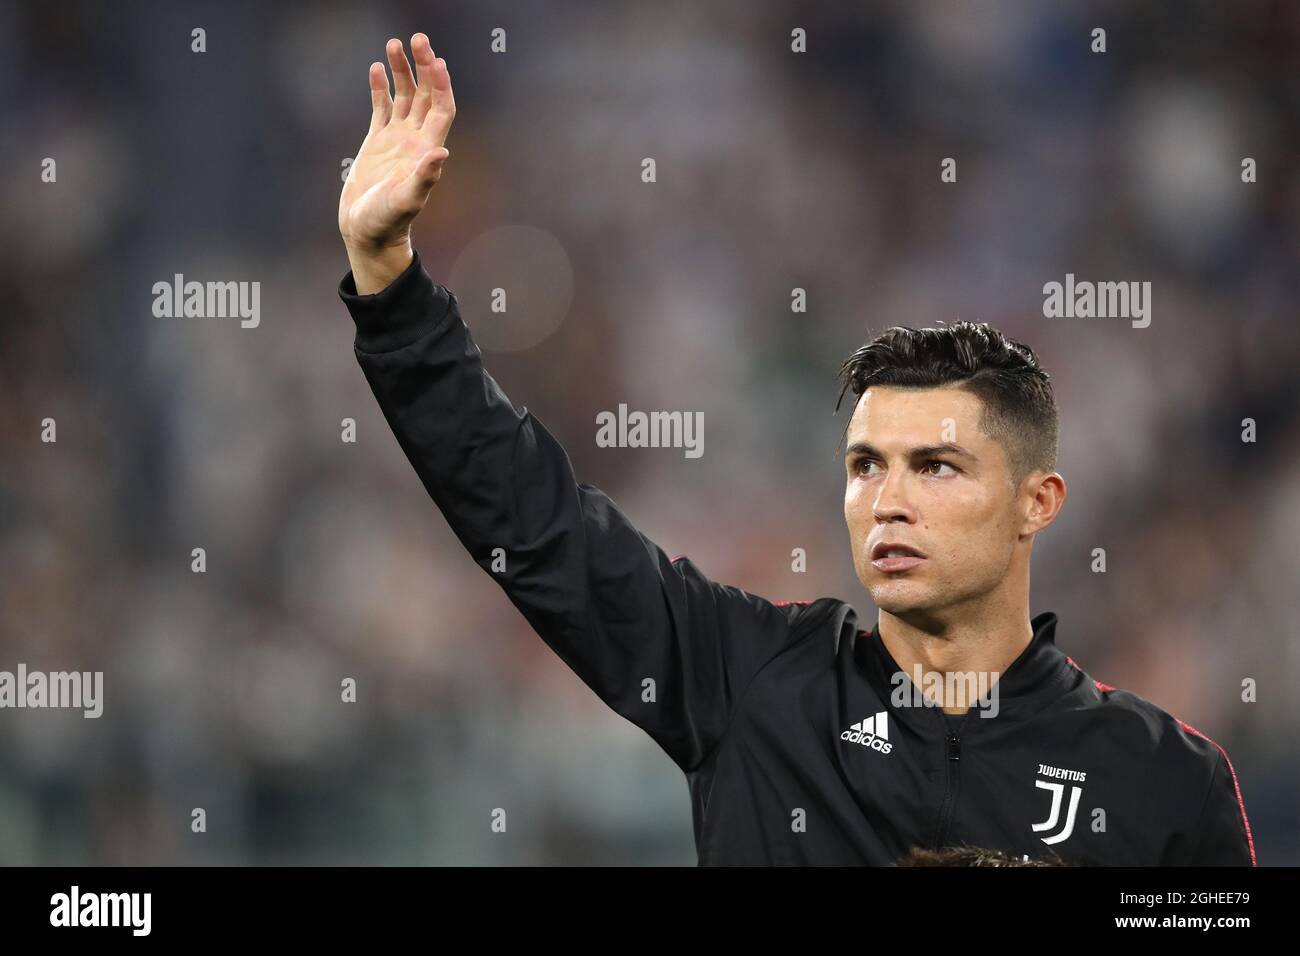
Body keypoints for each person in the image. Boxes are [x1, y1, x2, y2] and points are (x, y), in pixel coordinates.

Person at [335, 33, 1256, 866]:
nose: (887, 500)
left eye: (935, 466)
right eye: (865, 467)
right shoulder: (751, 683)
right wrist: (390, 284)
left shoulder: (1165, 788)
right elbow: (534, 523)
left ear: (1038, 502)